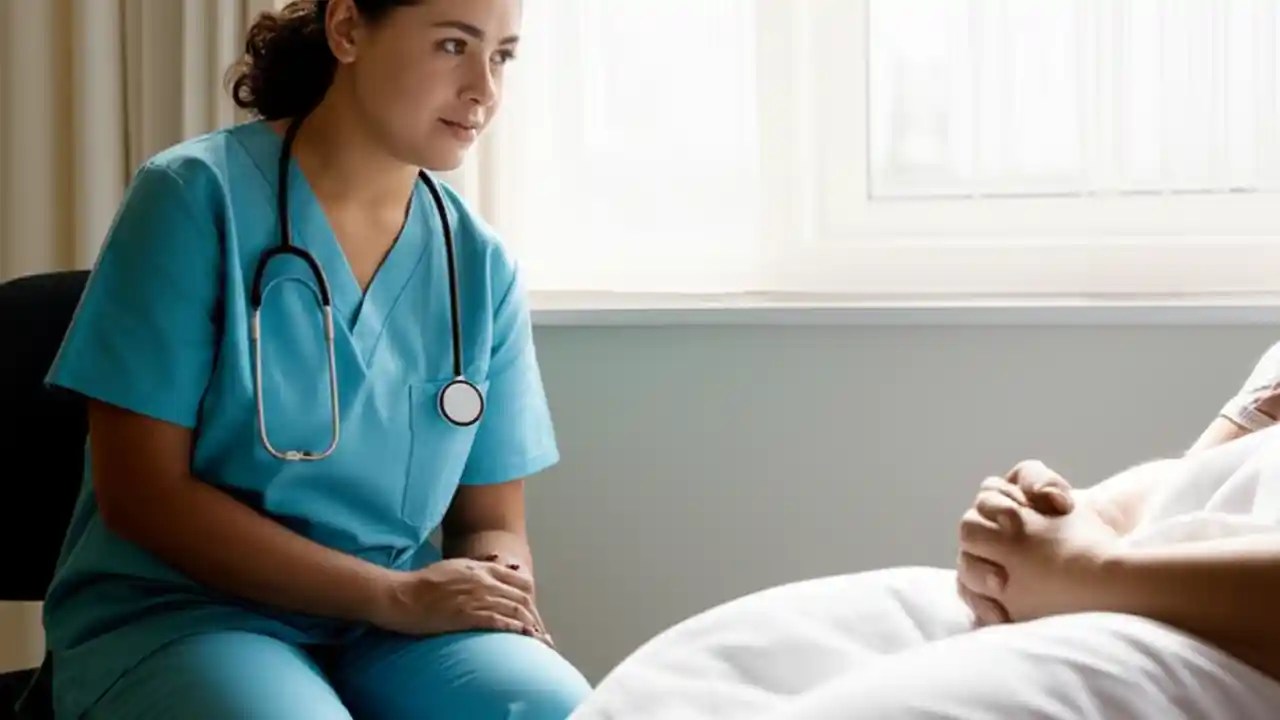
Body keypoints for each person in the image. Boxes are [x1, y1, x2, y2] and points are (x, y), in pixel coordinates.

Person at [29, 1, 592, 718]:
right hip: (187, 613)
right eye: (454, 45)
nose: (484, 88)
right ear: (348, 30)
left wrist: (494, 583)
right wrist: (392, 596)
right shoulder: (194, 197)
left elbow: (488, 518)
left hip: (390, 625)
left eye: (502, 56)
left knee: (556, 709)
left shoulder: (478, 265)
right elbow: (143, 494)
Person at [569, 340, 1280, 718]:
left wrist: (1092, 575)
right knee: (698, 674)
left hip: (1226, 640)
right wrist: (1058, 521)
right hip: (1121, 587)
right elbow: (1197, 480)